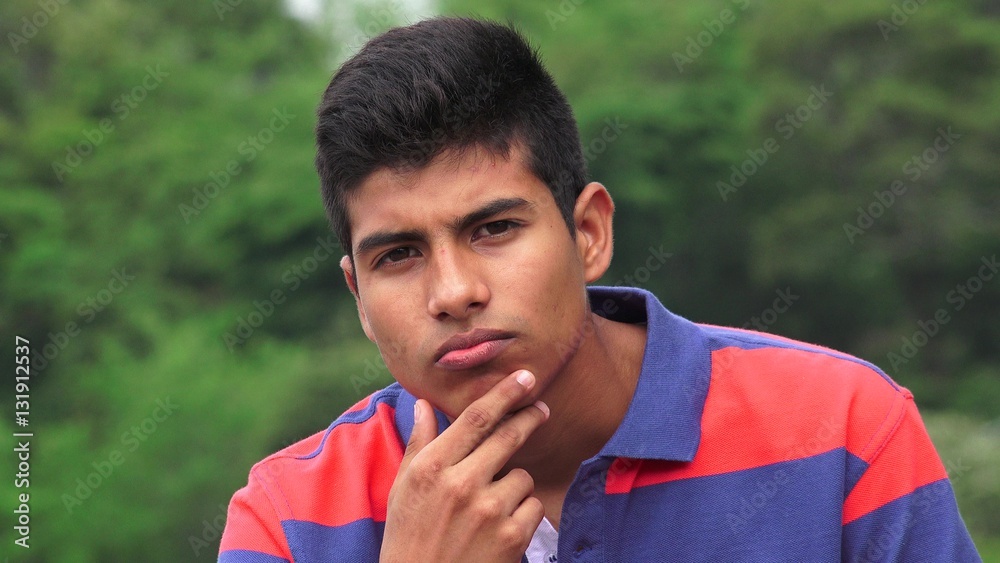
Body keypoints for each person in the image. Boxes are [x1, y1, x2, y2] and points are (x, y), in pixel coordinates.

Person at [218, 17, 981, 562]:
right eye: (399, 255)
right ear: (357, 293)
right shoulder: (287, 520)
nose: (452, 290)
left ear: (588, 233)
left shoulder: (843, 431)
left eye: (493, 229)